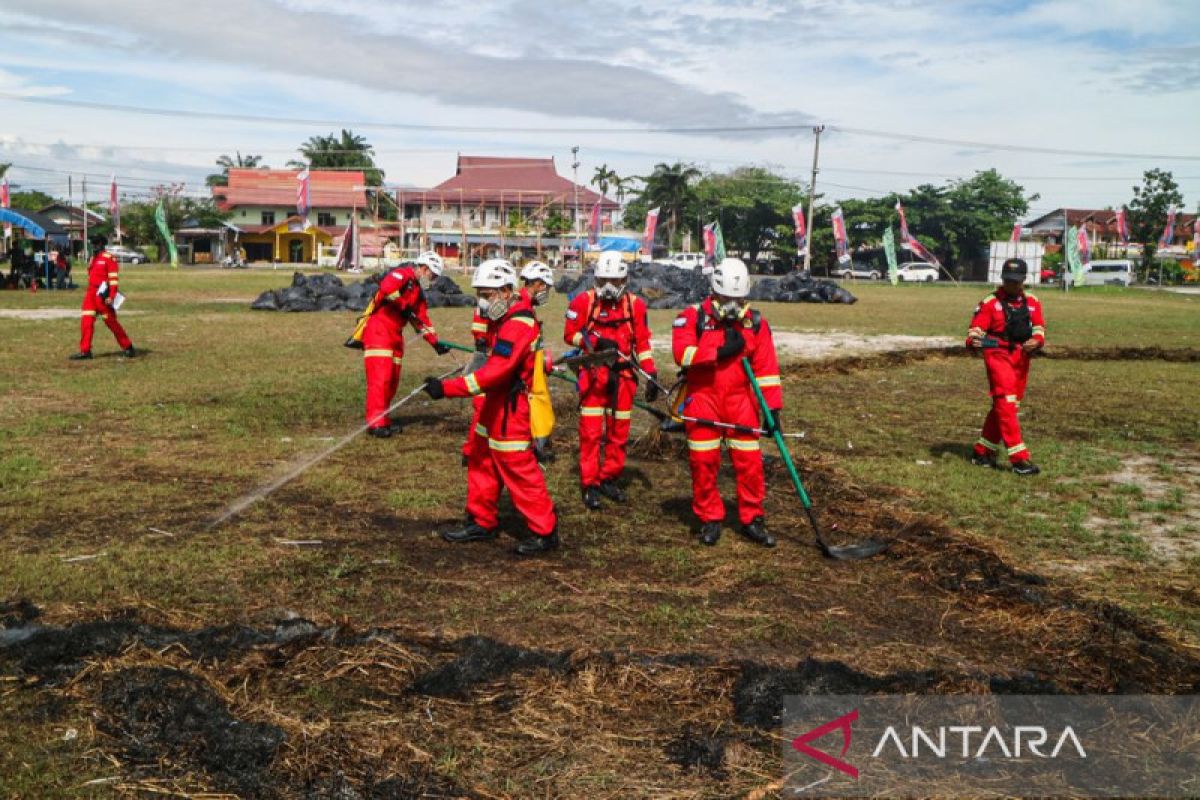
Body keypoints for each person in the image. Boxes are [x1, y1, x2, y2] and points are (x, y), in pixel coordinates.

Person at [422, 258, 560, 556]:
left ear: (507, 291)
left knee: (519, 468)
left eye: (488, 295)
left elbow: (495, 372)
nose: (483, 303)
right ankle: (482, 521)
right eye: (481, 295)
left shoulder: (518, 324)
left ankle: (544, 531)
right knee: (480, 457)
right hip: (493, 404)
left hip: (510, 408)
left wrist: (447, 388)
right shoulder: (503, 319)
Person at [671, 258, 781, 547]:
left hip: (741, 402)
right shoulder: (691, 317)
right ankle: (710, 518)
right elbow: (681, 354)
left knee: (750, 464)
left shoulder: (756, 324)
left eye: (738, 298)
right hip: (702, 398)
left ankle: (752, 518)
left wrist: (773, 410)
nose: (733, 304)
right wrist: (719, 351)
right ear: (714, 292)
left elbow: (767, 371)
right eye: (727, 298)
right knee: (703, 462)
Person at [562, 251, 658, 510]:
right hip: (594, 376)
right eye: (604, 280)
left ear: (624, 280)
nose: (608, 287)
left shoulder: (635, 305)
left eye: (614, 281)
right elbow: (569, 335)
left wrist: (651, 372)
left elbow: (643, 342)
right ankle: (590, 484)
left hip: (624, 377)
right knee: (591, 434)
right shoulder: (583, 302)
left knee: (619, 433)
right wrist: (592, 342)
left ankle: (609, 478)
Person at [966, 257, 1045, 475]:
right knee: (1007, 403)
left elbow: (1039, 327)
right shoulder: (990, 303)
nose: (1012, 285)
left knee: (1005, 405)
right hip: (997, 355)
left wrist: (1037, 341)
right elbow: (975, 331)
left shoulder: (1032, 301)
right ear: (1002, 279)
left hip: (1021, 357)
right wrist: (977, 340)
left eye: (1016, 282)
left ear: (1024, 280)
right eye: (1009, 281)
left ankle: (982, 451)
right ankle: (1019, 459)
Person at [361, 251, 450, 437]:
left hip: (395, 335)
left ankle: (383, 419)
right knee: (381, 379)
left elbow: (422, 320)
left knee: (392, 380)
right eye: (432, 275)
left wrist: (435, 343)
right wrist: (403, 305)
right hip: (379, 331)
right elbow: (386, 288)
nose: (432, 280)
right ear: (424, 269)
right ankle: (376, 423)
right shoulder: (403, 274)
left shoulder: (418, 292)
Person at [70, 235, 135, 360]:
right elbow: (91, 275)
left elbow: (113, 280)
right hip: (91, 293)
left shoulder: (109, 258)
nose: (94, 246)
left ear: (101, 244)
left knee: (111, 322)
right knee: (86, 321)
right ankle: (85, 351)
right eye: (93, 244)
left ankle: (128, 347)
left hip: (103, 294)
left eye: (96, 244)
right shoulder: (93, 259)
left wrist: (111, 296)